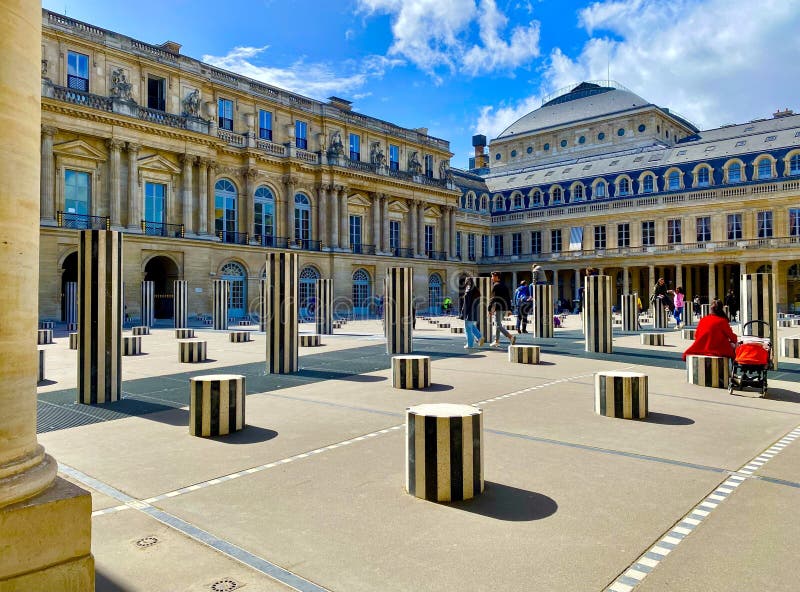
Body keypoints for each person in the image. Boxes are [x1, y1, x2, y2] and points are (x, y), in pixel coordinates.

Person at [488, 271, 516, 347]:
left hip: (498, 307)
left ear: (497, 277)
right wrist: (509, 309)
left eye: (492, 276)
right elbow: (508, 298)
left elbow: (492, 299)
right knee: (499, 324)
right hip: (505, 308)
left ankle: (510, 337)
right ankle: (496, 341)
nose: (492, 278)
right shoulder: (504, 285)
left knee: (498, 325)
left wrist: (489, 309)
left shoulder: (495, 286)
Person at [460, 278, 485, 349]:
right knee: (471, 326)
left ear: (467, 282)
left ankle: (470, 344)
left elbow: (466, 304)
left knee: (467, 328)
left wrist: (463, 313)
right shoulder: (476, 290)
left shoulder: (468, 290)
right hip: (475, 312)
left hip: (469, 313)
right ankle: (480, 337)